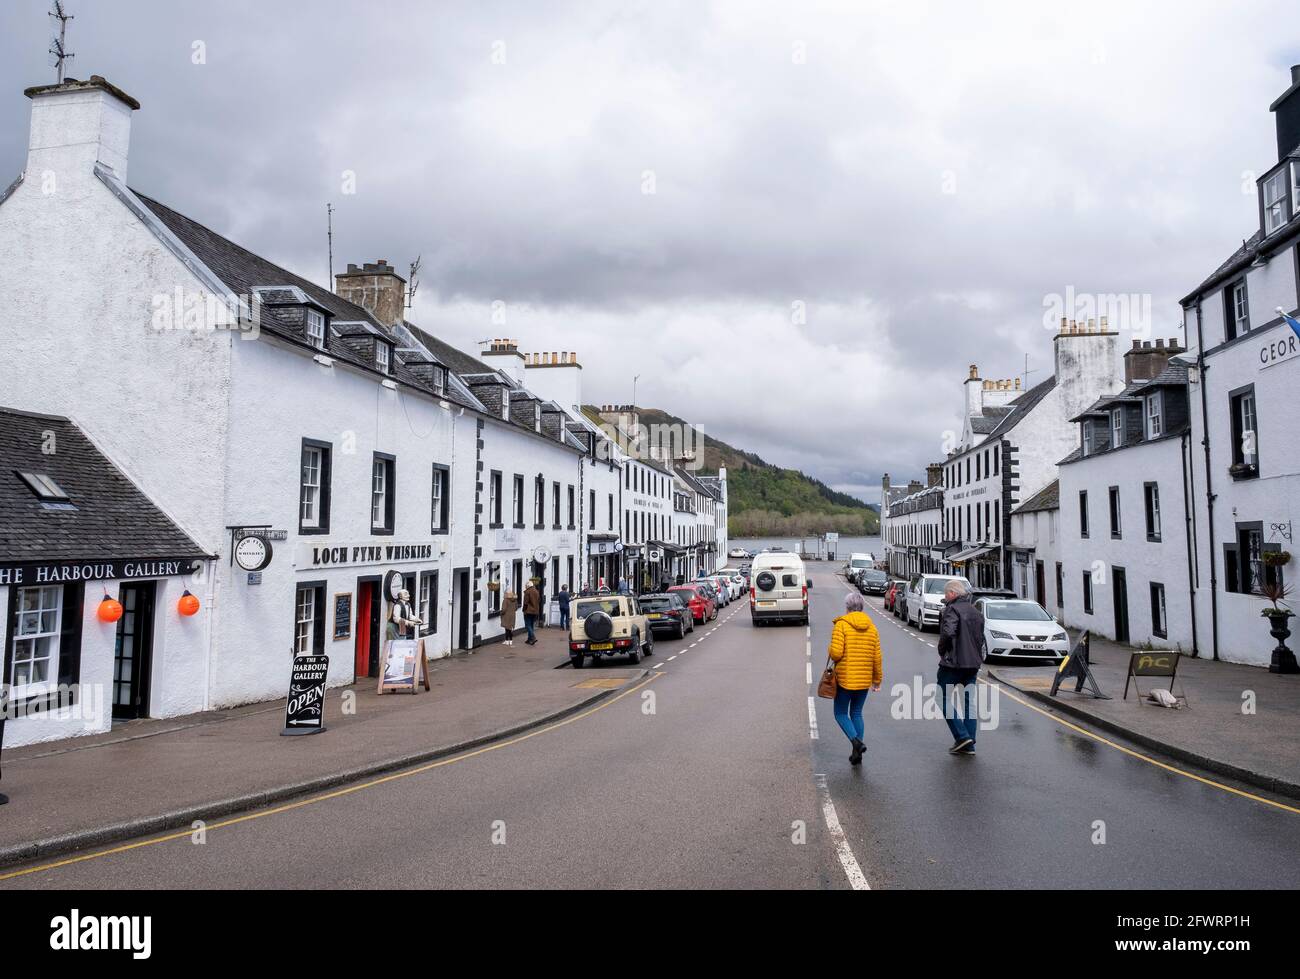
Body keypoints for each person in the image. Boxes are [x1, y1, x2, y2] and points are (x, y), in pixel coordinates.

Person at [827, 592, 882, 766]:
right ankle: (857, 753)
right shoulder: (872, 628)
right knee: (857, 713)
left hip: (845, 678)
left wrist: (830, 647)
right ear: (862, 607)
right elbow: (877, 658)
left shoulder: (841, 625)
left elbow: (836, 653)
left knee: (840, 713)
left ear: (847, 607)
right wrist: (877, 680)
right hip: (864, 679)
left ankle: (856, 742)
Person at [936, 579, 986, 755]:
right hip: (972, 665)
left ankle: (962, 736)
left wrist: (941, 650)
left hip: (953, 664)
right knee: (968, 703)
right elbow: (980, 638)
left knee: (941, 698)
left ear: (952, 593)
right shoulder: (976, 612)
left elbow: (948, 632)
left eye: (946, 594)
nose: (945, 597)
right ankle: (969, 745)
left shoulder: (952, 609)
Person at [522, 579, 541, 645]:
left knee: (527, 625)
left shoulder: (528, 592)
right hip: (535, 611)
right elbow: (539, 601)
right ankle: (529, 639)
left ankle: (533, 638)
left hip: (528, 611)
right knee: (531, 625)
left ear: (527, 586)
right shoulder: (536, 591)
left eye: (525, 586)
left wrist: (524, 609)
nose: (525, 587)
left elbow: (525, 602)